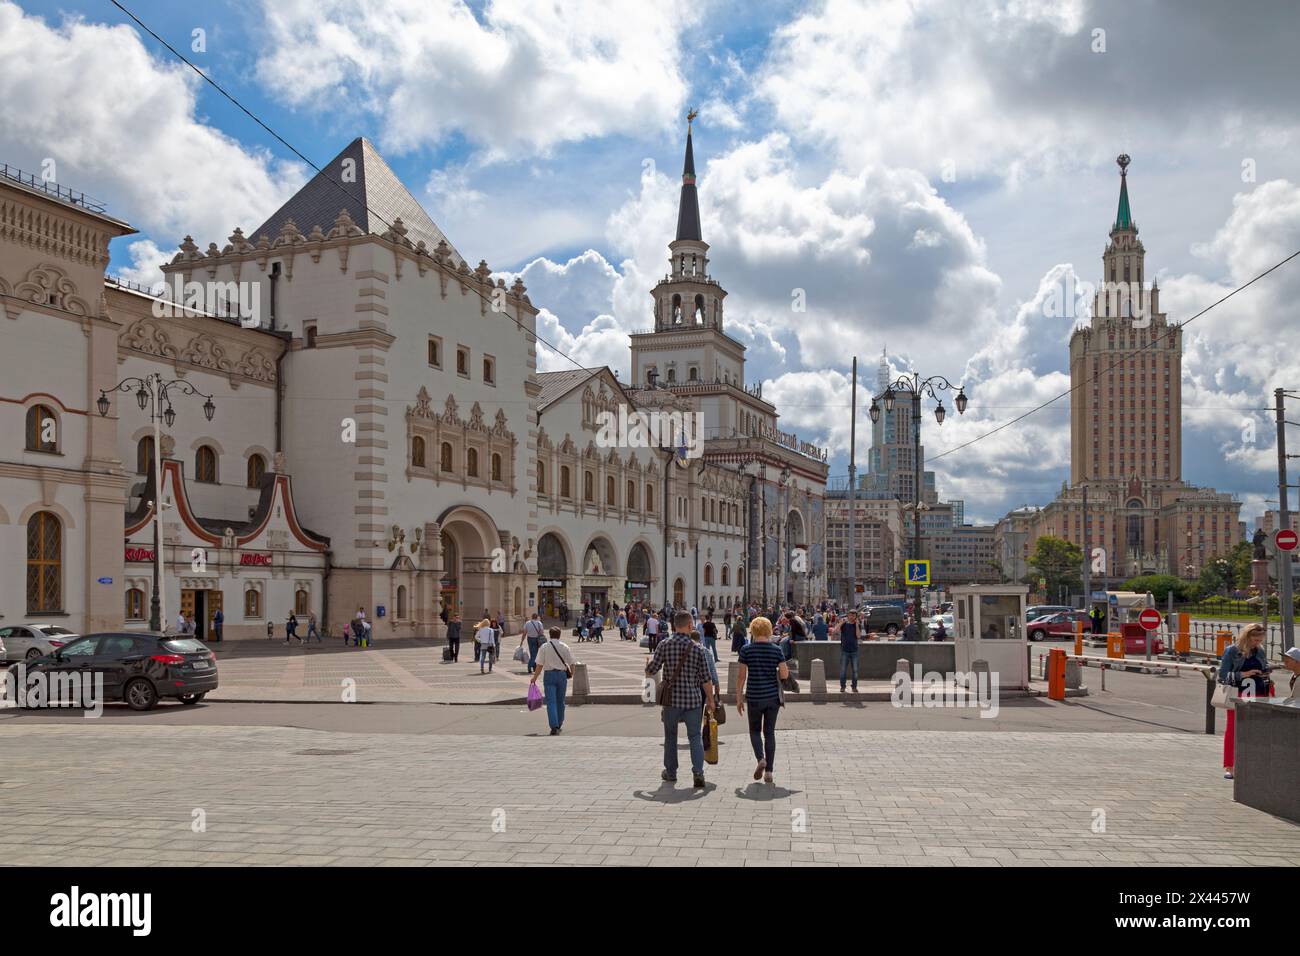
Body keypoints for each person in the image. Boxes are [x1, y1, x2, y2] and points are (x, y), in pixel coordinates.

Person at [645, 610, 716, 789]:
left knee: (671, 736)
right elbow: (706, 679)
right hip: (693, 700)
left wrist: (647, 667)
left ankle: (671, 772)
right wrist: (710, 699)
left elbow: (652, 670)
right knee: (695, 736)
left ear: (674, 625)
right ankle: (698, 773)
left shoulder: (664, 644)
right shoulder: (698, 648)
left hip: (671, 701)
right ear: (690, 625)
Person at [737, 616, 788, 785]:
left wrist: (739, 698)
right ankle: (769, 772)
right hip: (772, 697)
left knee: (754, 731)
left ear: (753, 630)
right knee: (769, 733)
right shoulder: (776, 649)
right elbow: (784, 674)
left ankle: (760, 758)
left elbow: (741, 677)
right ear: (768, 630)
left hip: (754, 696)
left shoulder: (746, 650)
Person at [1218, 623, 1273, 778]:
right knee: (1233, 730)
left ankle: (1252, 764)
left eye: (1260, 640)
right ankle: (1230, 766)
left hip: (1258, 693)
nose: (1257, 643)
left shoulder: (1260, 651)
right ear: (1246, 637)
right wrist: (1244, 674)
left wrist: (1266, 671)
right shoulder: (1232, 651)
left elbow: (1264, 666)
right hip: (1237, 695)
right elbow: (1222, 676)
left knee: (1256, 730)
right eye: (1255, 640)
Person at [532, 627, 576, 735]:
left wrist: (534, 678)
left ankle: (554, 726)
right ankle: (560, 723)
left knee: (551, 702)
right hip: (561, 675)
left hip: (549, 675)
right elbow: (572, 663)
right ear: (559, 635)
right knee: (561, 701)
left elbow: (539, 665)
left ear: (549, 635)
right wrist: (571, 674)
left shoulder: (544, 647)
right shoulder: (565, 647)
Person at [837, 609, 861, 693]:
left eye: (854, 615)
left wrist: (857, 625)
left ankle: (854, 687)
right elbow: (835, 631)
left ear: (856, 617)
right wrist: (840, 623)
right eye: (850, 615)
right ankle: (842, 686)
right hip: (845, 650)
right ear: (848, 615)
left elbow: (858, 636)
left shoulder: (857, 625)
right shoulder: (844, 624)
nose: (852, 617)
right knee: (843, 670)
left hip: (854, 650)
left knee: (855, 670)